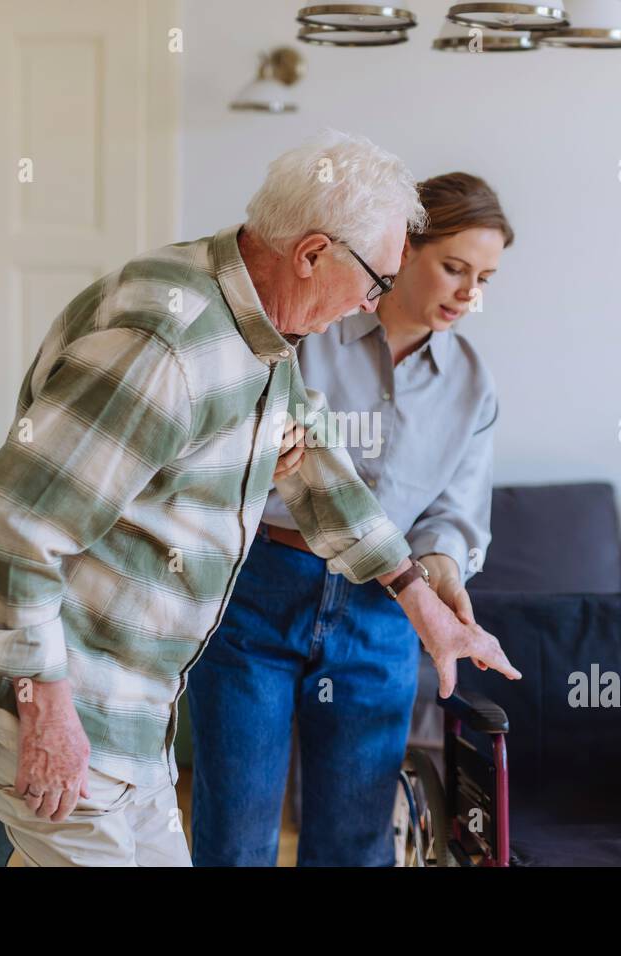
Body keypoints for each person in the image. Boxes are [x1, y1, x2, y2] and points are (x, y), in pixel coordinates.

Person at [0, 132, 520, 866]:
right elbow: (12, 525)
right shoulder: (171, 344)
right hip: (66, 692)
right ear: (313, 253)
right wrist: (46, 710)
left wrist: (422, 603)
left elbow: (318, 467)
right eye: (377, 280)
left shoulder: (257, 321)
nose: (370, 303)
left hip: (134, 708)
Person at [188, 171, 514, 866]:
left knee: (356, 842)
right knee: (236, 829)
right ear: (401, 249)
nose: (469, 293)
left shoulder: (473, 386)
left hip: (382, 615)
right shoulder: (307, 322)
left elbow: (456, 513)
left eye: (484, 277)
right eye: (454, 268)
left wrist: (445, 575)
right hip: (259, 590)